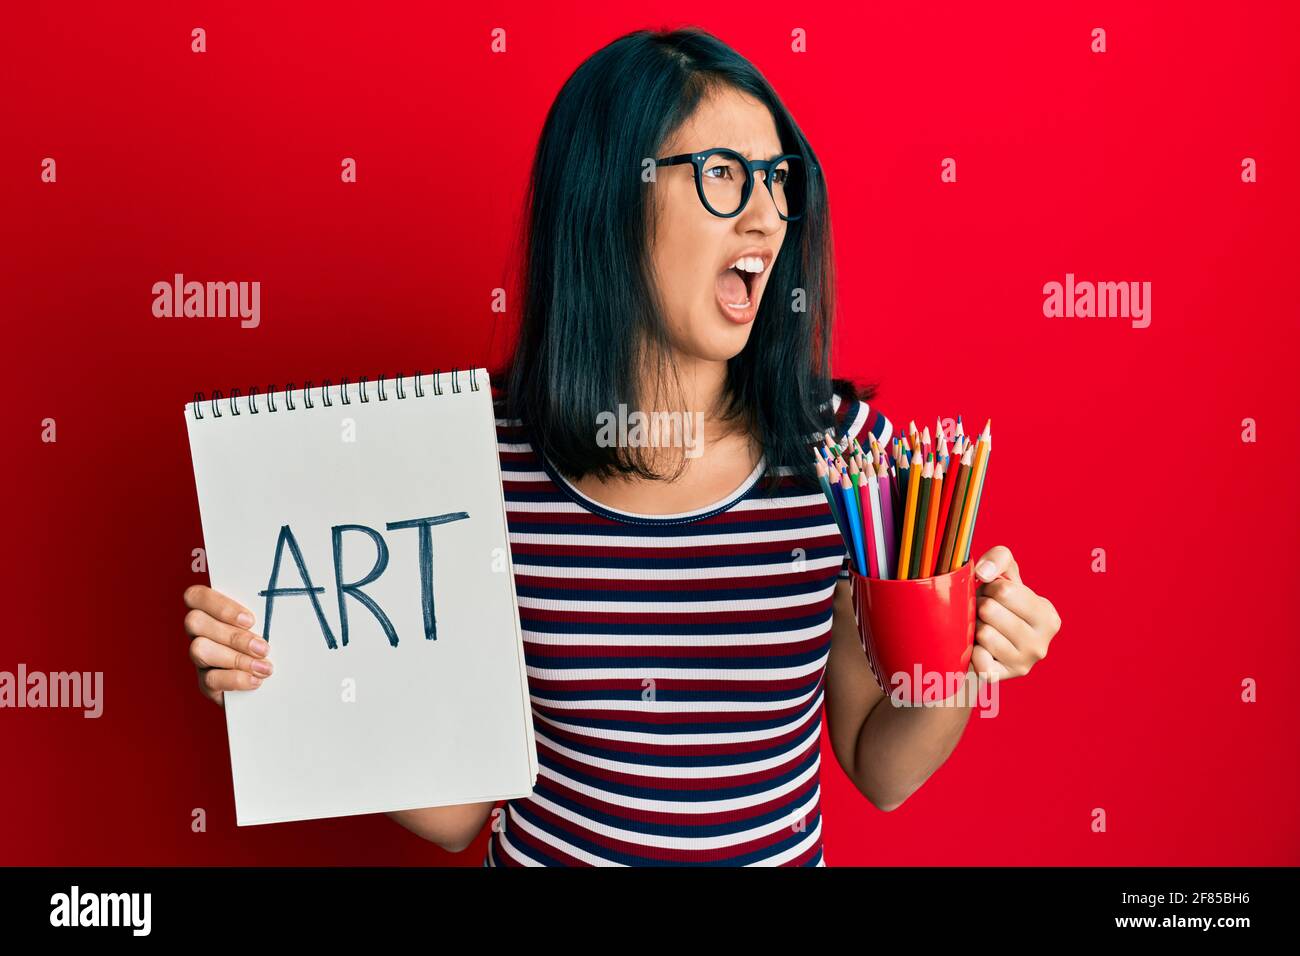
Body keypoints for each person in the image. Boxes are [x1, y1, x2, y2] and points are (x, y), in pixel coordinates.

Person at [182, 27, 1061, 866]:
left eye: (777, 178)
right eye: (723, 175)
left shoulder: (846, 461)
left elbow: (884, 767)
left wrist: (961, 660)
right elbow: (453, 818)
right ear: (609, 199)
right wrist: (282, 682)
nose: (765, 217)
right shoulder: (473, 461)